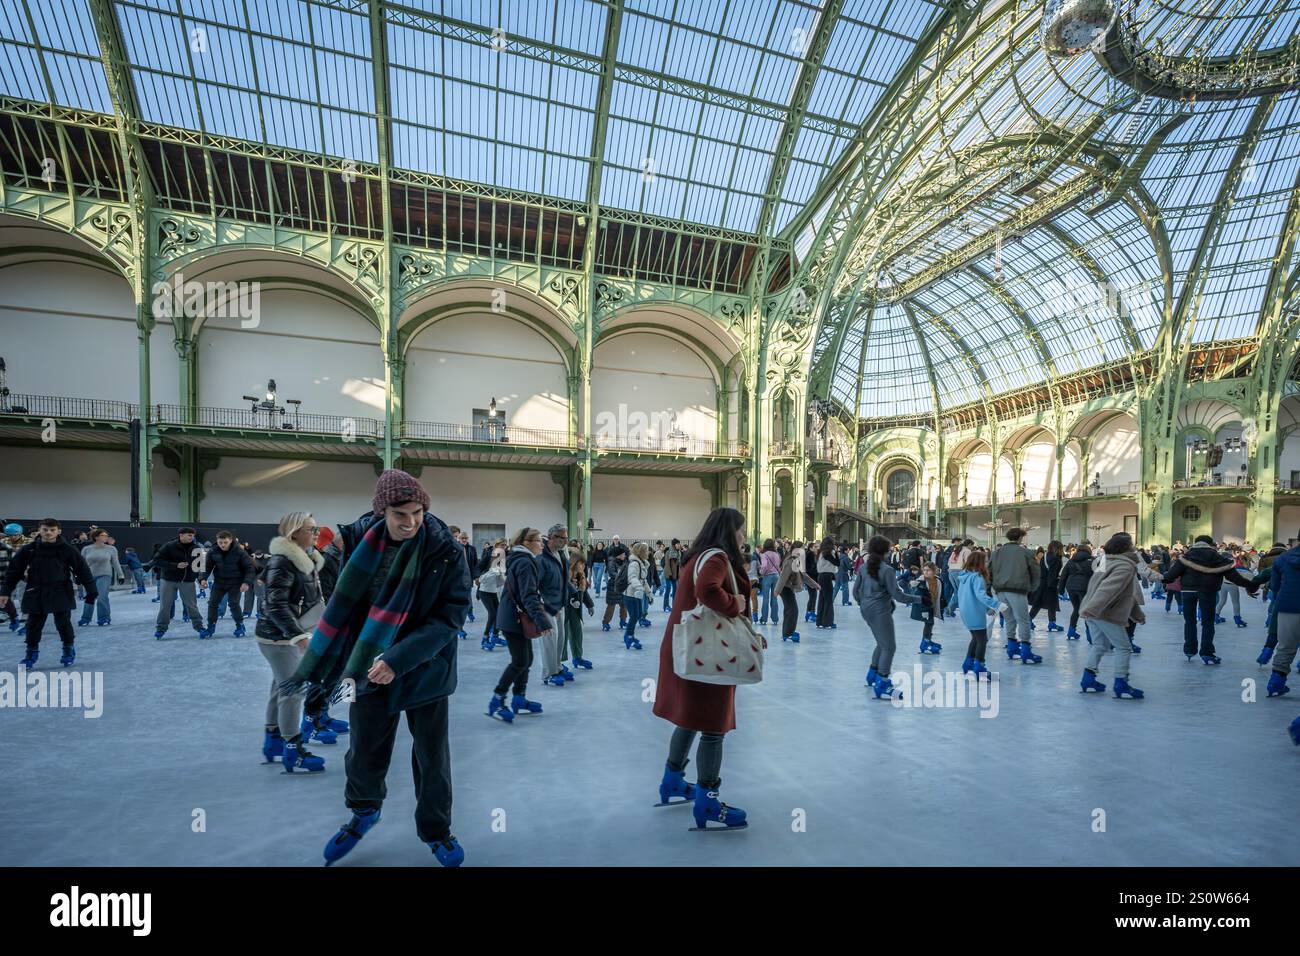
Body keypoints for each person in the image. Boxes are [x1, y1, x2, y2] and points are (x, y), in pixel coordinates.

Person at [296, 469, 469, 867]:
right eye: (400, 515)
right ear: (381, 511)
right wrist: (324, 656)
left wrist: (398, 658)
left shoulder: (444, 549)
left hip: (425, 667)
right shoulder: (355, 542)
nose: (410, 523)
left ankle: (436, 831)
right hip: (364, 667)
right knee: (364, 751)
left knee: (432, 758)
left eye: (417, 513)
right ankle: (363, 811)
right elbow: (340, 607)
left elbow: (451, 616)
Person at [652, 507, 757, 830]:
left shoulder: (698, 555)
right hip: (710, 650)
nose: (744, 537)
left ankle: (673, 781)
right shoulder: (717, 558)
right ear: (729, 531)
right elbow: (708, 591)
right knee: (713, 727)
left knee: (690, 718)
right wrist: (736, 605)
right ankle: (708, 803)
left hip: (689, 646)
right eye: (741, 530)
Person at [254, 512, 327, 771]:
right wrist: (297, 636)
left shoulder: (305, 558)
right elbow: (276, 604)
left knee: (281, 686)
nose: (316, 533)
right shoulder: (283, 561)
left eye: (316, 528)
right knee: (293, 690)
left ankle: (273, 739)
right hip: (280, 638)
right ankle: (292, 748)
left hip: (290, 634)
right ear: (294, 532)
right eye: (311, 529)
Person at [1, 518, 96, 669]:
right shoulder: (29, 549)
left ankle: (68, 649)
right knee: (33, 625)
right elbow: (14, 571)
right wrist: (5, 591)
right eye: (45, 530)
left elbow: (82, 569)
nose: (48, 533)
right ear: (39, 530)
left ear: (59, 531)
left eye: (52, 530)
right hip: (36, 590)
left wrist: (91, 590)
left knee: (63, 623)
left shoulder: (68, 549)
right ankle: (31, 653)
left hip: (61, 590)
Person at [1162, 534, 1257, 664]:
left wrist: (1162, 578)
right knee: (1207, 623)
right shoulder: (1217, 558)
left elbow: (1170, 576)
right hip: (1208, 592)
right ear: (1210, 544)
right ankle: (1207, 653)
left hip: (1188, 592)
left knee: (1189, 622)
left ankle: (1189, 650)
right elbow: (1234, 577)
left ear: (1195, 543)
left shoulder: (1185, 557)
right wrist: (1251, 585)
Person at [489, 527, 551, 722]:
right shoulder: (525, 562)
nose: (542, 544)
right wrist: (542, 621)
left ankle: (519, 698)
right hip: (513, 619)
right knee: (520, 661)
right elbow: (528, 595)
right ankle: (497, 700)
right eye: (539, 541)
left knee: (526, 659)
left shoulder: (519, 558)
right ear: (527, 543)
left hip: (512, 616)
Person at [1078, 533, 1147, 699]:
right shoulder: (1125, 566)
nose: (1134, 547)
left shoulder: (1104, 561)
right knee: (1123, 647)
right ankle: (1121, 684)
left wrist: (1137, 614)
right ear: (1125, 548)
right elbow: (1107, 589)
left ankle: (1088, 679)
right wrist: (1094, 608)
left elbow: (1124, 594)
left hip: (1092, 610)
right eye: (1131, 544)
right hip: (1104, 612)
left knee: (1099, 645)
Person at [854, 535, 921, 699]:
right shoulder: (887, 570)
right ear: (885, 551)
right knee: (889, 647)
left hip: (866, 609)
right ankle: (882, 682)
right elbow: (899, 596)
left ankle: (872, 674)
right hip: (880, 612)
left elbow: (855, 592)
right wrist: (920, 599)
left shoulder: (863, 568)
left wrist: (864, 604)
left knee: (881, 643)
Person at [989, 527, 1042, 664]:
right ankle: (1026, 651)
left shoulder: (996, 553)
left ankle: (1012, 648)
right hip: (1018, 590)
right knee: (1023, 620)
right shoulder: (1026, 553)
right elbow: (1036, 572)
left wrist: (990, 589)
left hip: (1000, 591)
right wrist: (1033, 587)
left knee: (1009, 620)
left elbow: (988, 571)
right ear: (1020, 538)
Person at [536, 523, 574, 686]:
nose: (566, 541)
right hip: (546, 605)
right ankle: (548, 674)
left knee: (560, 639)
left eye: (566, 537)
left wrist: (573, 594)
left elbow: (564, 579)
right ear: (552, 537)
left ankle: (557, 667)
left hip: (559, 604)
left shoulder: (560, 555)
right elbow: (534, 585)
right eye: (563, 538)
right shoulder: (541, 558)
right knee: (549, 640)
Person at [153, 527, 208, 640]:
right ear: (181, 535)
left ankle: (199, 627)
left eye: (192, 535)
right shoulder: (169, 546)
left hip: (187, 581)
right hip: (168, 580)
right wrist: (175, 565)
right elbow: (157, 560)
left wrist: (201, 579)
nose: (191, 537)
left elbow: (200, 566)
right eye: (189, 535)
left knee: (192, 606)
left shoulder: (196, 548)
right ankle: (161, 628)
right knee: (165, 606)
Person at [1262, 536, 1300, 698]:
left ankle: (1275, 683)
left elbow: (1275, 585)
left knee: (1285, 647)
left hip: (1287, 606)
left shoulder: (1283, 558)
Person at [953, 550, 1000, 677]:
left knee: (976, 637)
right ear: (978, 563)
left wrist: (986, 609)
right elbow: (981, 595)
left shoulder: (965, 576)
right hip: (974, 612)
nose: (986, 564)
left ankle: (968, 662)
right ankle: (979, 665)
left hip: (967, 611)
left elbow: (970, 596)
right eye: (984, 561)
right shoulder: (977, 577)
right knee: (982, 639)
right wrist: (997, 605)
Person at [200, 530, 256, 638]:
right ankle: (211, 626)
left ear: (230, 540)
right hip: (219, 583)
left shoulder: (239, 552)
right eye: (220, 542)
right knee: (212, 603)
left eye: (225, 542)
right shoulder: (213, 551)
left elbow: (249, 568)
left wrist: (246, 582)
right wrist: (203, 579)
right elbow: (206, 567)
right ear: (217, 541)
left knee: (233, 604)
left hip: (235, 583)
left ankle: (240, 625)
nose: (222, 545)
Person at [774, 540, 818, 643]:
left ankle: (786, 633)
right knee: (793, 610)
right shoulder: (791, 560)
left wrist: (814, 584)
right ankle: (788, 634)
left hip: (787, 587)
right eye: (802, 548)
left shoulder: (796, 560)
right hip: (785, 588)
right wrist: (777, 590)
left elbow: (803, 575)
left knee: (789, 610)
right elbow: (783, 576)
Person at [77, 529, 123, 627]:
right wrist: (78, 575)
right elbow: (81, 564)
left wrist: (121, 575)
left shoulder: (111, 549)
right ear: (96, 537)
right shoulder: (86, 549)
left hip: (105, 575)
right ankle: (85, 618)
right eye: (103, 535)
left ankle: (104, 617)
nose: (105, 537)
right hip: (89, 576)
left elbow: (115, 563)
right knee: (89, 597)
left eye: (106, 535)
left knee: (102, 597)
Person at [476, 538, 508, 651]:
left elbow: (501, 577)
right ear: (497, 545)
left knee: (498, 614)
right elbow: (482, 575)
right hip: (485, 591)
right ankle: (485, 638)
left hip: (493, 590)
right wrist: (478, 578)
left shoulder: (503, 557)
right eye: (502, 545)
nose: (504, 547)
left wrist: (502, 578)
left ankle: (495, 636)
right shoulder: (492, 555)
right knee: (493, 614)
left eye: (505, 545)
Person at [565, 551, 595, 671]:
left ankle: (577, 657)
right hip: (564, 609)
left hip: (575, 611)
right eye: (580, 563)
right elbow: (562, 589)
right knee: (563, 636)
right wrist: (570, 600)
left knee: (577, 633)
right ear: (574, 563)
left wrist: (590, 605)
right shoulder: (567, 575)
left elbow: (584, 592)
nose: (583, 566)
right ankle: (559, 662)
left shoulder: (581, 575)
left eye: (584, 563)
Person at [1058, 543, 1094, 639]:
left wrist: (1061, 589)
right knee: (1086, 611)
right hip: (1084, 588)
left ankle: (1071, 631)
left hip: (1071, 588)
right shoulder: (1092, 561)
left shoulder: (1071, 561)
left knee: (1076, 609)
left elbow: (1063, 576)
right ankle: (1090, 635)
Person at [1028, 540, 1065, 632]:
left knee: (1038, 602)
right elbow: (1052, 573)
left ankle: (1029, 620)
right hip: (1050, 584)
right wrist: (1054, 585)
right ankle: (1051, 623)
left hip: (1041, 583)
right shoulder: (1056, 558)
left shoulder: (1045, 556)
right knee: (1052, 603)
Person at [623, 542, 652, 651]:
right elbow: (632, 578)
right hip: (631, 594)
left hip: (637, 595)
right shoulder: (635, 563)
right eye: (646, 550)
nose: (648, 552)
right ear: (641, 552)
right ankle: (628, 636)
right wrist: (639, 588)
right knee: (634, 616)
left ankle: (630, 634)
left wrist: (649, 593)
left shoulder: (642, 563)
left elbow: (643, 581)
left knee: (638, 614)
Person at [914, 561, 942, 654]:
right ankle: (925, 643)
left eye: (928, 570)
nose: (926, 572)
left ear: (934, 571)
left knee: (930, 623)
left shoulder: (937, 580)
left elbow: (939, 595)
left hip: (932, 605)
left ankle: (927, 640)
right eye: (924, 570)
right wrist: (923, 609)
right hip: (925, 607)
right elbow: (918, 596)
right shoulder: (921, 581)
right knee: (929, 623)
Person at [602, 547, 628, 631]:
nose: (624, 555)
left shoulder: (625, 562)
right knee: (611, 605)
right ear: (618, 555)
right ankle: (606, 622)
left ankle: (623, 621)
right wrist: (621, 577)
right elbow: (612, 573)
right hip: (613, 587)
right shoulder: (611, 563)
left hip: (623, 586)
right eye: (623, 554)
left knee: (624, 605)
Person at [815, 537, 838, 629]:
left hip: (820, 576)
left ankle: (820, 621)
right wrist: (836, 553)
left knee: (822, 599)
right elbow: (837, 563)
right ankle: (828, 622)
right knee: (828, 599)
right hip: (827, 577)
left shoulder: (821, 552)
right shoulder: (829, 553)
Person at [661, 539, 681, 611]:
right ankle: (666, 606)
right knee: (668, 589)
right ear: (673, 545)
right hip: (668, 574)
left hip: (675, 574)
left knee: (675, 589)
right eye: (677, 544)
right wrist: (669, 574)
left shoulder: (679, 553)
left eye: (679, 544)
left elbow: (679, 565)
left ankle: (674, 605)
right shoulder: (668, 552)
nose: (679, 545)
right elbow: (667, 564)